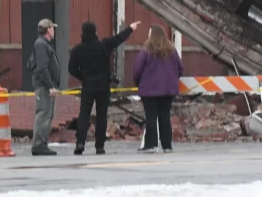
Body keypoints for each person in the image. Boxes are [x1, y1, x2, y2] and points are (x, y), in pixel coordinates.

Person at [68, 20, 141, 155]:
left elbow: (71, 69)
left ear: (82, 33)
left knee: (84, 114)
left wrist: (83, 76)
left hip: (88, 86)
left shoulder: (77, 50)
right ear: (95, 32)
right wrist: (131, 28)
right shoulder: (104, 45)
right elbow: (118, 39)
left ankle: (80, 142)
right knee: (101, 115)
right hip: (103, 85)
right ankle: (99, 145)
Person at [133, 25, 184, 153]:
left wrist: (138, 83)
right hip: (168, 90)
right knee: (165, 117)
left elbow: (137, 69)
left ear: (152, 35)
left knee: (151, 117)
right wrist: (172, 80)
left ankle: (151, 145)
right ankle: (167, 146)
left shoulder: (146, 50)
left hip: (149, 90)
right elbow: (180, 68)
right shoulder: (171, 50)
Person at [28, 18, 61, 156]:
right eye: (53, 28)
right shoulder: (41, 45)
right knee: (43, 114)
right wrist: (50, 86)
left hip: (45, 86)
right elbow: (42, 68)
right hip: (44, 87)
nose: (54, 31)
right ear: (48, 29)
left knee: (47, 114)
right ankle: (38, 145)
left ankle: (42, 143)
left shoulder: (42, 44)